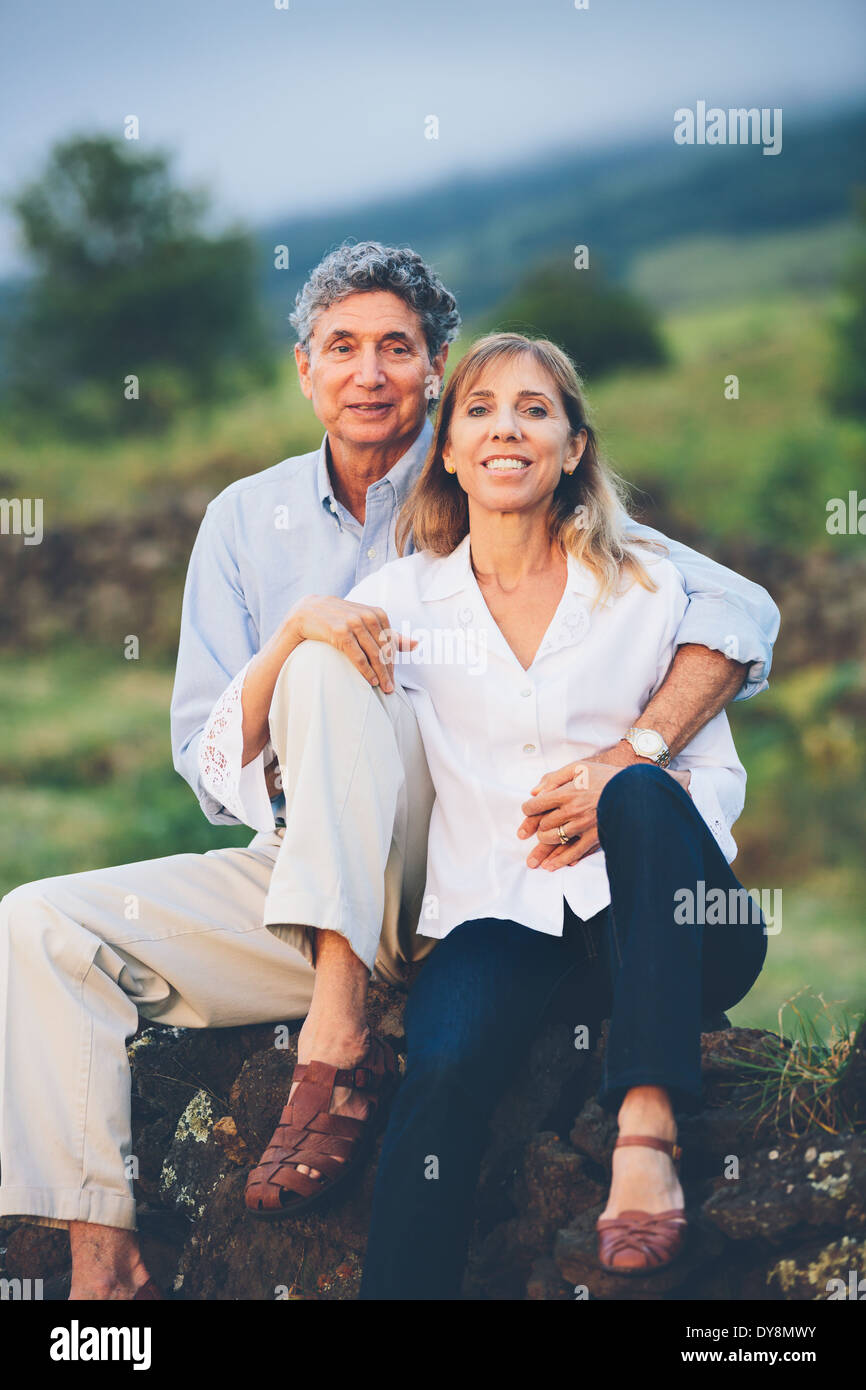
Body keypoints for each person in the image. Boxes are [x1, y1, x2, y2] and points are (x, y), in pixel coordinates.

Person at [0, 244, 777, 1300]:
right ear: (303, 368)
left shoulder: (516, 485)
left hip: (459, 870)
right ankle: (99, 1256)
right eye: (341, 347)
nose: (368, 373)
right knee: (36, 924)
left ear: (434, 371)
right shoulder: (246, 521)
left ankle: (341, 1032)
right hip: (320, 868)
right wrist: (293, 638)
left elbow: (731, 609)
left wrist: (627, 755)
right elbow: (208, 761)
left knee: (352, 675)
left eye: (397, 349)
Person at [334, 332, 770, 1296]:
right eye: (480, 410)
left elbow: (748, 620)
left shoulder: (650, 581)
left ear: (574, 447)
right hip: (504, 917)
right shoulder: (402, 597)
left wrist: (626, 764)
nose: (507, 430)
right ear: (446, 449)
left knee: (642, 791)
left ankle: (644, 1135)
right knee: (440, 1073)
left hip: (687, 930)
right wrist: (300, 629)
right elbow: (287, 736)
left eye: (536, 410)